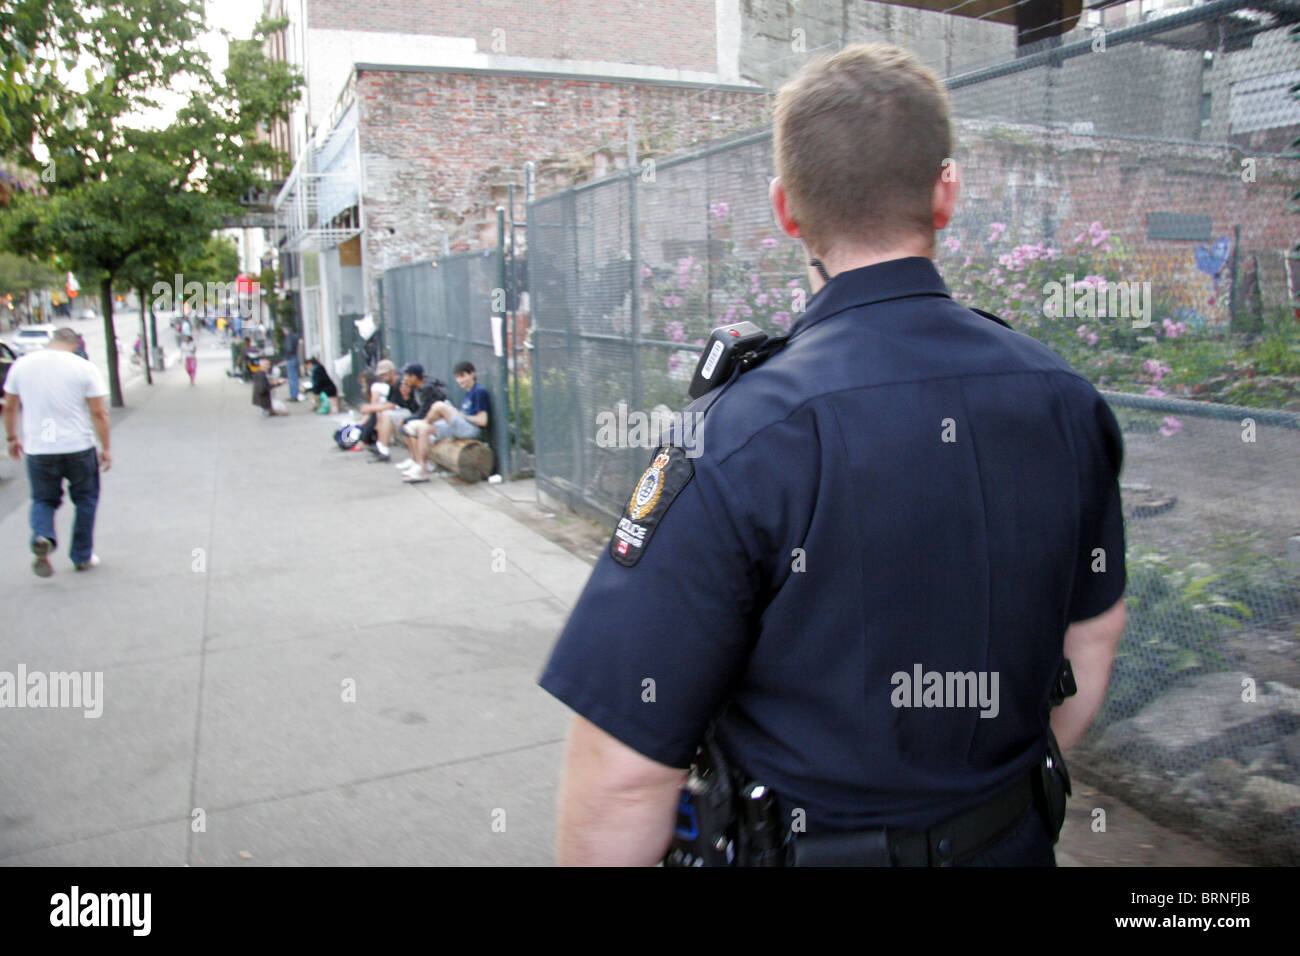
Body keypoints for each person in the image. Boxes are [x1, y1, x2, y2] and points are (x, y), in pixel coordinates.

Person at [536, 44, 1128, 867]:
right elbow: (1090, 643)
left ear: (787, 210)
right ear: (944, 193)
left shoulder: (739, 435)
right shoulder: (1065, 399)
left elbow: (623, 774)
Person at [2, 326, 112, 576]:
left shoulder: (21, 365)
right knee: (85, 499)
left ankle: (42, 536)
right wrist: (106, 448)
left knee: (43, 499)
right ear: (75, 345)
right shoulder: (84, 367)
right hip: (77, 446)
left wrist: (11, 438)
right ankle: (82, 556)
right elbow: (99, 413)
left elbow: (9, 407)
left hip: (39, 448)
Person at [398, 361, 488, 482]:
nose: (460, 380)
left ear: (472, 374)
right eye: (457, 377)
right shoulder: (468, 391)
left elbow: (483, 421)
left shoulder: (479, 391)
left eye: (463, 376)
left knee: (439, 406)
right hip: (460, 425)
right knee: (423, 430)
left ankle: (422, 422)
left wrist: (461, 415)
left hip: (470, 429)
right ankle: (422, 469)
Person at [357, 359, 415, 460]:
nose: (382, 377)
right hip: (403, 410)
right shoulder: (392, 384)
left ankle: (384, 449)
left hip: (412, 411)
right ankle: (382, 446)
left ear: (392, 372)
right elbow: (389, 403)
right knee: (381, 412)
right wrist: (372, 408)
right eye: (381, 375)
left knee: (386, 414)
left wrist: (370, 408)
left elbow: (392, 405)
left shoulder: (399, 382)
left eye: (384, 374)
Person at [282, 325, 302, 402]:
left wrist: (287, 354)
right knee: (295, 377)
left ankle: (294, 396)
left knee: (292, 378)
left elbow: (289, 348)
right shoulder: (295, 336)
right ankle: (295, 394)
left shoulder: (288, 337)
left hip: (290, 358)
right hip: (295, 357)